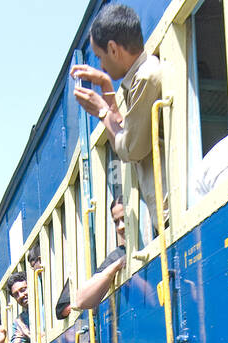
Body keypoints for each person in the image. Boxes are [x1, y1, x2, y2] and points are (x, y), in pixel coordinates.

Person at [71, 4, 163, 245]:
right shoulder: (142, 75)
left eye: (100, 57)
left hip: (170, 215)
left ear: (113, 48)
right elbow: (127, 129)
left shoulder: (145, 79)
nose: (101, 66)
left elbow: (130, 148)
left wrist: (102, 112)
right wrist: (106, 87)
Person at [57, 197, 128, 320]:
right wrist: (117, 266)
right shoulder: (118, 255)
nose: (120, 227)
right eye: (116, 222)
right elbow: (81, 300)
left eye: (124, 219)